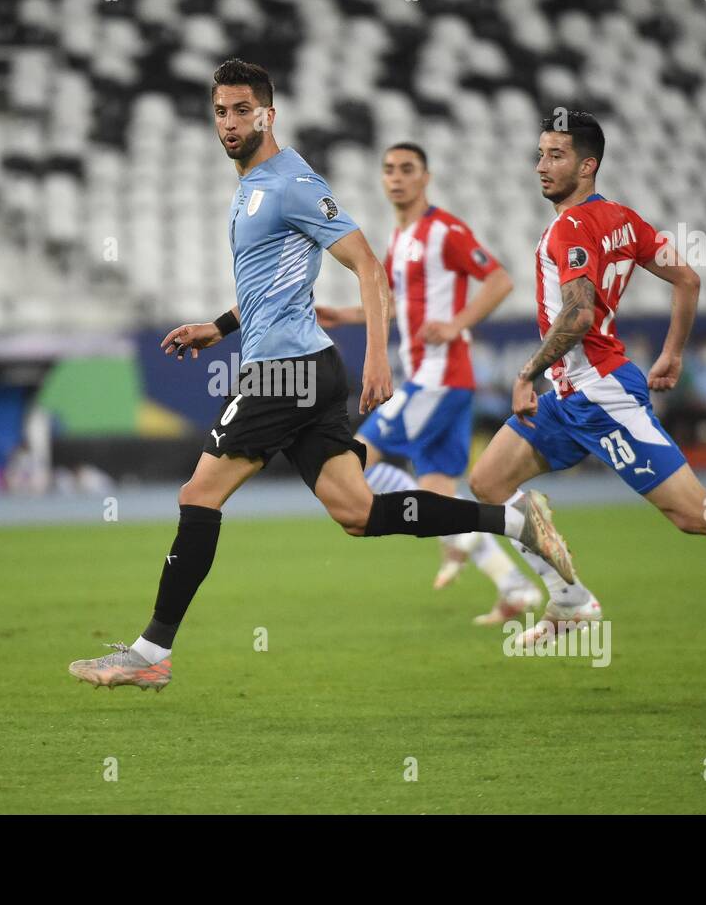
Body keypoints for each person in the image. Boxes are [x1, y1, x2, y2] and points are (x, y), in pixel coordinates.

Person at [67, 59, 575, 691]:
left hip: (285, 375)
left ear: (268, 115)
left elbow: (366, 264)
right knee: (357, 512)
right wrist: (218, 328)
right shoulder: (253, 184)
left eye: (242, 110)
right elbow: (272, 286)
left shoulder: (291, 182)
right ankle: (514, 522)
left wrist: (379, 354)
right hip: (302, 370)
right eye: (221, 110)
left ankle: (151, 653)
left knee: (197, 496)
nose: (229, 122)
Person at [466, 110, 706, 643]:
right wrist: (672, 352)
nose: (541, 165)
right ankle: (569, 600)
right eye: (539, 153)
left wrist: (525, 372)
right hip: (567, 398)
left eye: (555, 155)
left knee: (694, 513)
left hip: (601, 393)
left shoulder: (571, 228)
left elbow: (579, 314)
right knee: (488, 481)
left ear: (589, 165)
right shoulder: (625, 220)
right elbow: (688, 278)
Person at [317, 141, 541, 620]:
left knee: (354, 461)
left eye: (407, 169)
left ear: (425, 177)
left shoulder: (444, 229)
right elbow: (397, 307)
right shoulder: (401, 240)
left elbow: (499, 279)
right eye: (389, 169)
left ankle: (503, 530)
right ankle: (515, 585)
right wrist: (346, 313)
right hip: (440, 384)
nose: (396, 177)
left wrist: (457, 325)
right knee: (441, 500)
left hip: (437, 381)